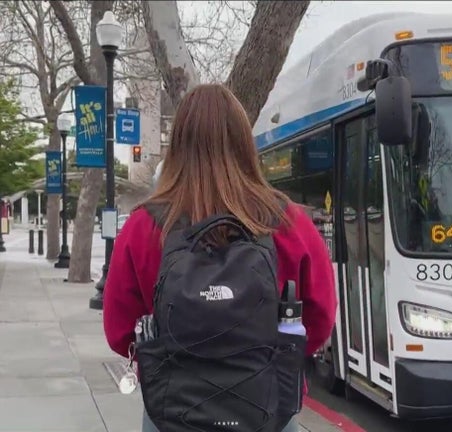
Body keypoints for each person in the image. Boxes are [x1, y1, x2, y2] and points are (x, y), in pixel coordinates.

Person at [103, 84, 338, 432]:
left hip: (171, 411)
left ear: (178, 146)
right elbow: (319, 321)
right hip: (269, 410)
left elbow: (119, 331)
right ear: (244, 143)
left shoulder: (144, 227)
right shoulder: (290, 223)